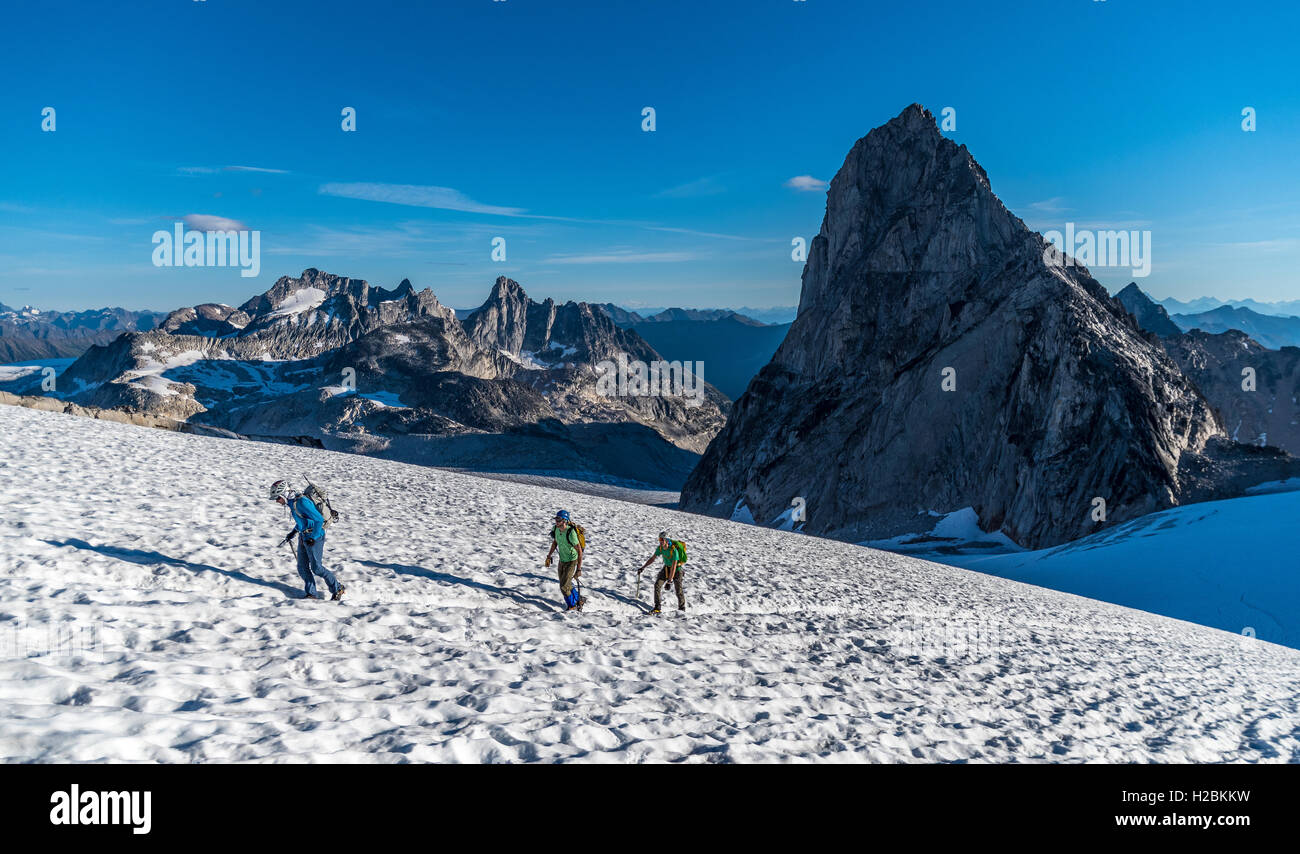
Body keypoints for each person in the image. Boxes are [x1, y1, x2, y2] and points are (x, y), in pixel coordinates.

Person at [269, 480, 345, 601]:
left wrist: (313, 538)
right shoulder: (292, 503)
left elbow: (319, 520)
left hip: (315, 537)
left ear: (283, 494)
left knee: (317, 568)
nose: (277, 501)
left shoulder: (301, 502)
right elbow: (303, 521)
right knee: (302, 567)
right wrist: (293, 532)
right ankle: (311, 594)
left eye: (277, 498)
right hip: (304, 536)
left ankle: (338, 588)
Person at [544, 510, 585, 611]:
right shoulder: (556, 529)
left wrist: (578, 569)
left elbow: (579, 552)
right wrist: (549, 556)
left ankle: (572, 606)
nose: (556, 521)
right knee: (566, 583)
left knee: (563, 586)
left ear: (565, 521)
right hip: (562, 560)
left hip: (571, 561)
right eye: (556, 519)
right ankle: (579, 599)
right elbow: (555, 543)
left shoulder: (571, 533)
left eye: (559, 519)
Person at [637, 531, 686, 614]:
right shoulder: (660, 548)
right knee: (657, 585)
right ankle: (657, 607)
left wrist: (669, 581)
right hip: (666, 568)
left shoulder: (674, 550)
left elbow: (674, 566)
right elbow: (652, 558)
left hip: (677, 570)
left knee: (678, 589)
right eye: (659, 539)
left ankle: (682, 608)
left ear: (667, 540)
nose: (660, 541)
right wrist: (643, 567)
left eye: (662, 539)